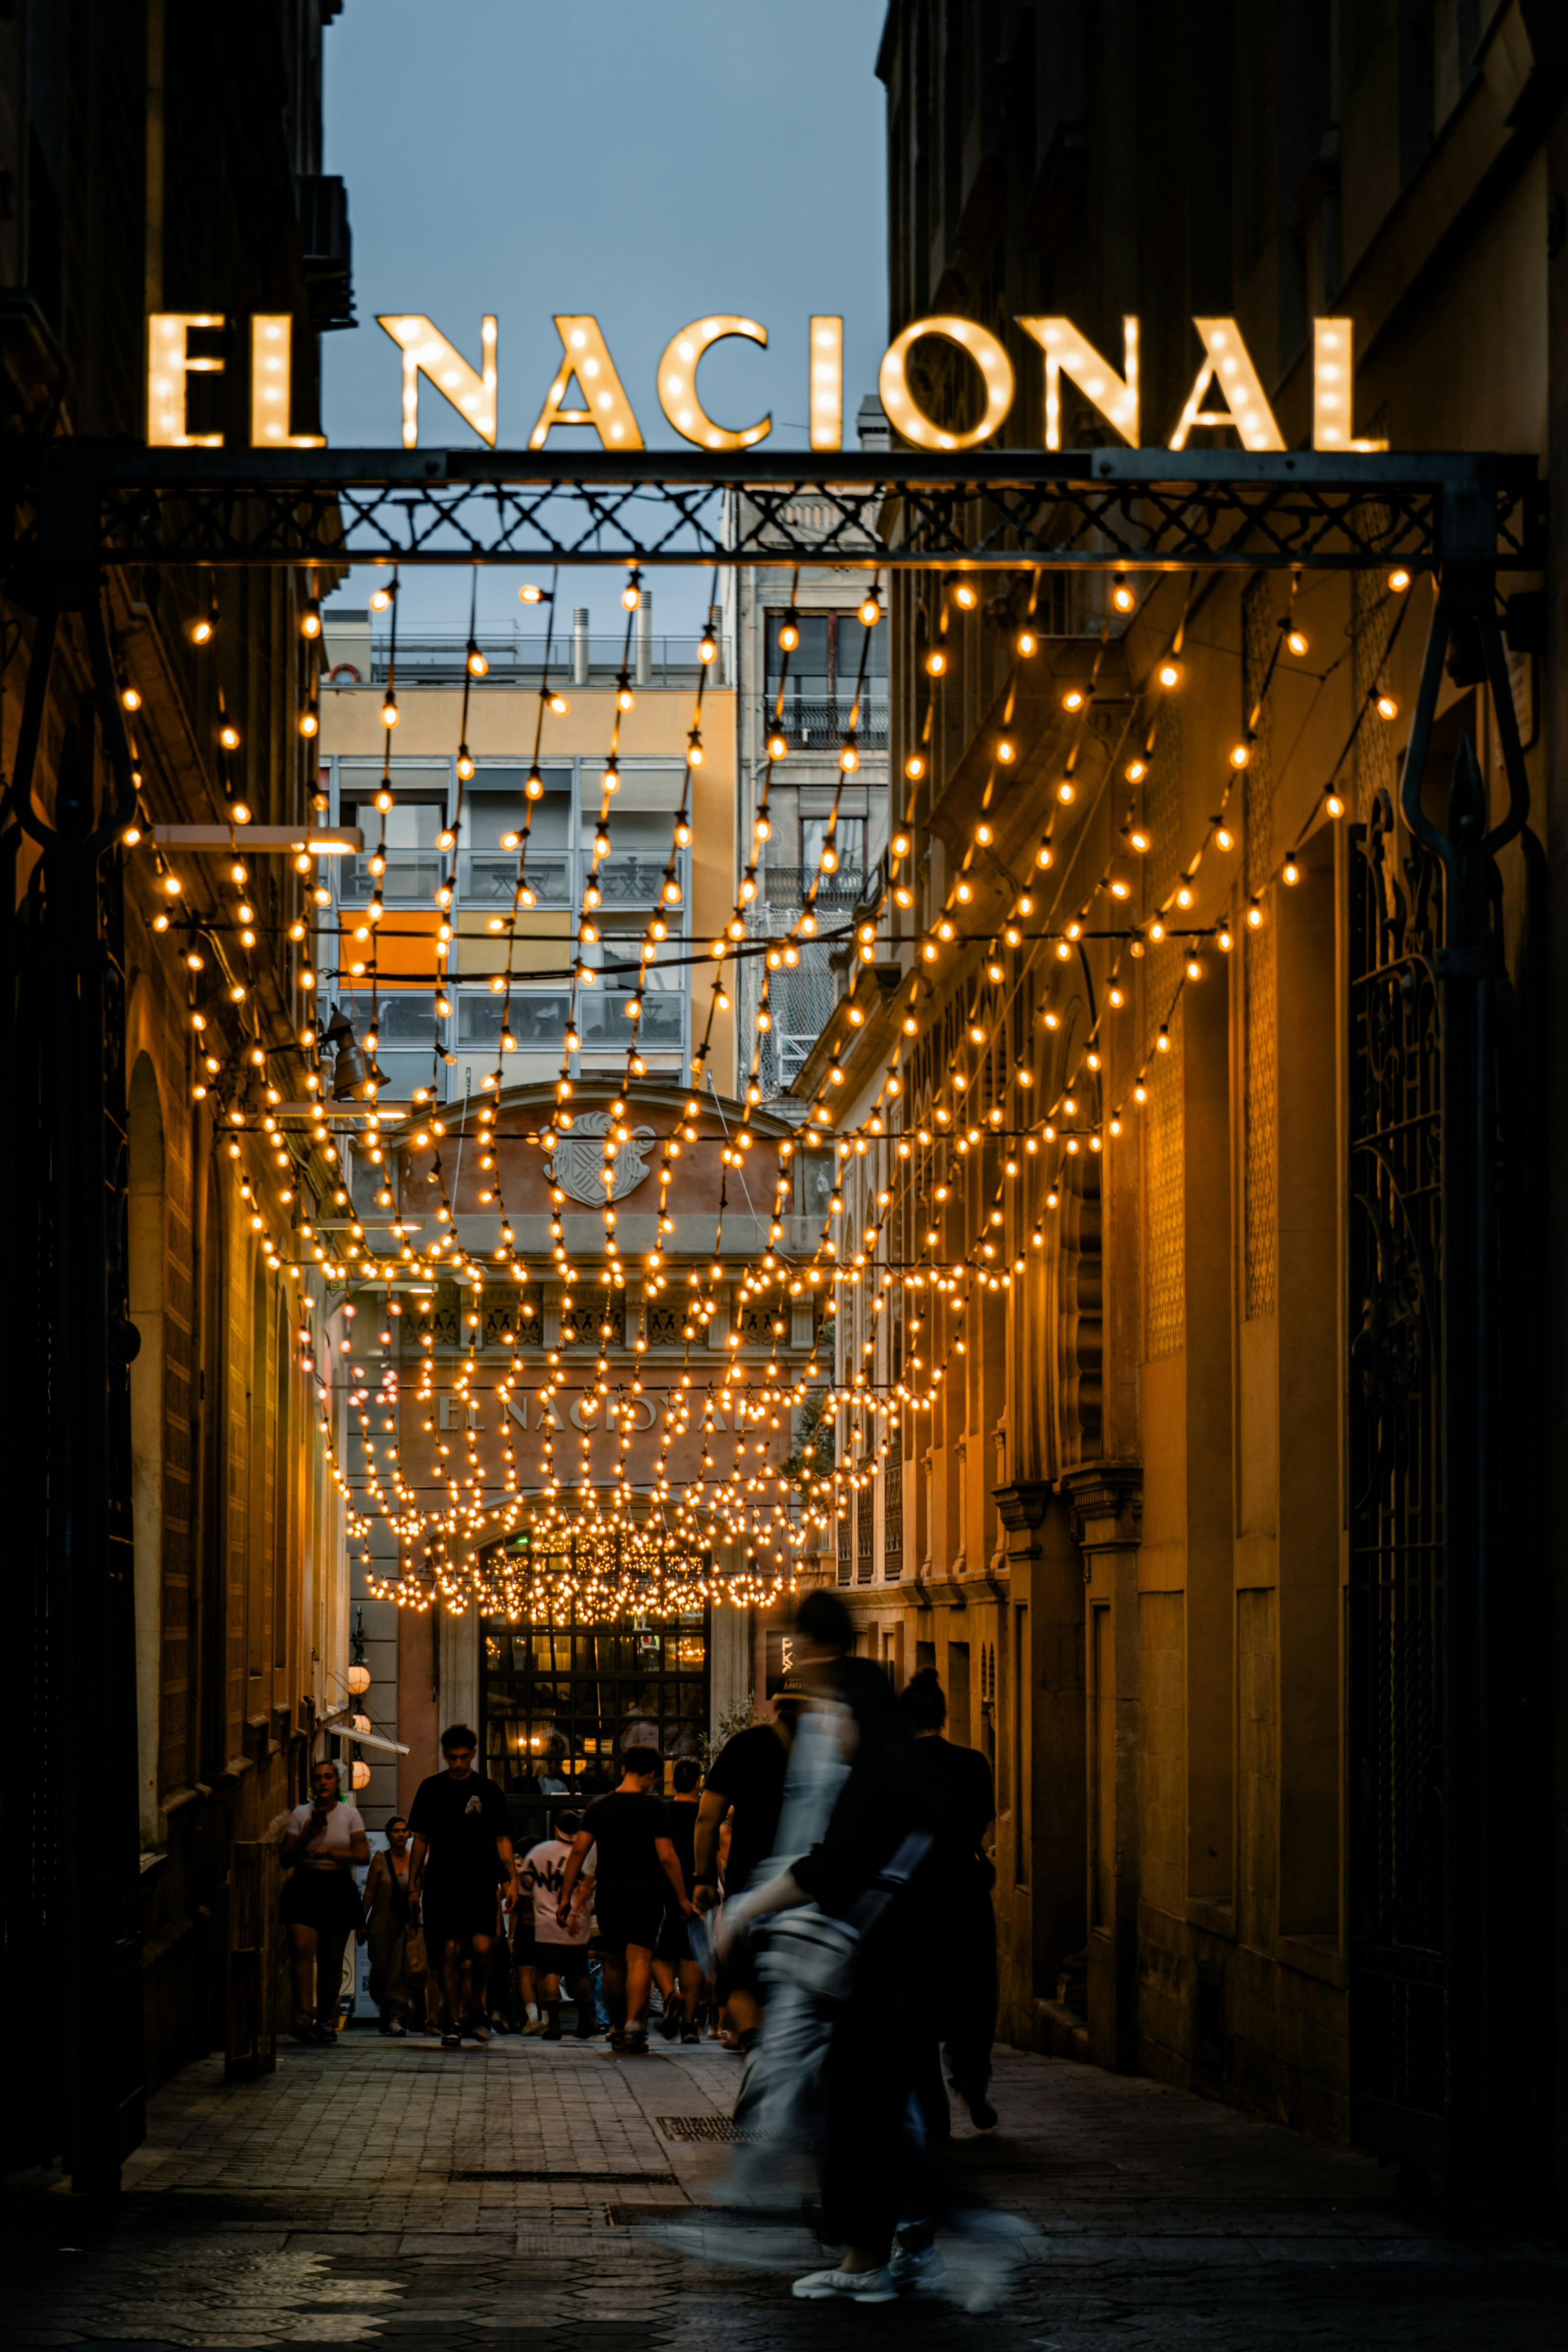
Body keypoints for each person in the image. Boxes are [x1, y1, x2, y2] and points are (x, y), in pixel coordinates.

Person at [719, 1619, 948, 2305]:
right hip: (912, 1974)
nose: (826, 1731)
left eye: (833, 1716)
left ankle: (873, 2259)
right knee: (885, 2113)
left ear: (856, 1716)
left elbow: (829, 1869)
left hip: (878, 1980)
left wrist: (744, 1910)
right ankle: (893, 2250)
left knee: (859, 2116)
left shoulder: (874, 1783)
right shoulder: (909, 1774)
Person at [899, 1666, 999, 2130]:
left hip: (911, 1894)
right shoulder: (973, 1762)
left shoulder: (891, 1768)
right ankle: (973, 2077)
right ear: (943, 1716)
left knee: (915, 1992)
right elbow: (982, 1821)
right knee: (975, 1988)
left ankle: (928, 2095)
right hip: (964, 1889)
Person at [693, 1682, 807, 2052]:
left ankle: (751, 2038)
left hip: (751, 1882)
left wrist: (704, 1879)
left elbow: (707, 1818)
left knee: (743, 1976)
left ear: (775, 1705)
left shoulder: (743, 1746)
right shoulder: (830, 1748)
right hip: (811, 1882)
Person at [558, 1748, 691, 2055]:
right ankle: (634, 2027)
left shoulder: (599, 1806)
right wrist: (682, 1898)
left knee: (614, 1963)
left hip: (610, 1893)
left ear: (623, 1769)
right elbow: (667, 1856)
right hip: (646, 1892)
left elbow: (578, 1852)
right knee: (640, 1958)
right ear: (652, 1775)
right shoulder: (655, 1808)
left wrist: (565, 1896)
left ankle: (617, 2028)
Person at [407, 1723, 519, 2050]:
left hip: (480, 1881)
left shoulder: (488, 1790)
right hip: (442, 1881)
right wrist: (413, 1886)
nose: (458, 1763)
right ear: (445, 1755)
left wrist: (511, 1881)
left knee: (483, 1948)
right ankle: (453, 2021)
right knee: (450, 1951)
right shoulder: (431, 1788)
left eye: (464, 1757)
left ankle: (475, 2004)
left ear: (473, 1755)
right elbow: (420, 1840)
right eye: (452, 1757)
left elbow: (502, 1839)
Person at [280, 1757, 370, 2045]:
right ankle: (303, 2013)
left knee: (331, 1960)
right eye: (318, 1778)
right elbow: (286, 1858)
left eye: (328, 1777)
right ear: (312, 1783)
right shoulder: (300, 1814)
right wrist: (306, 1835)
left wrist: (330, 1852)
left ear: (336, 1782)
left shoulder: (349, 1815)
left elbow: (363, 1855)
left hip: (337, 1886)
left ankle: (325, 2020)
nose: (323, 1782)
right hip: (306, 1884)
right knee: (301, 1950)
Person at [519, 1807, 597, 2039]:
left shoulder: (538, 1852)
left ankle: (553, 2023)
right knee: (579, 1974)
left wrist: (528, 1911)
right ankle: (584, 2022)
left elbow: (524, 1887)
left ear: (556, 1829)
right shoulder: (585, 1854)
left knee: (550, 1973)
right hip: (577, 1923)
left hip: (546, 1923)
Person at [363, 1815, 430, 2037]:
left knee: (399, 1972)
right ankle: (387, 2013)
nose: (401, 1834)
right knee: (380, 1972)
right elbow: (370, 1892)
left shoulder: (417, 1862)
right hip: (380, 1923)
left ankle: (396, 2017)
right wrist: (361, 1922)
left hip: (406, 1924)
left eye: (404, 1831)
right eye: (396, 1831)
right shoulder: (380, 1860)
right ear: (388, 1835)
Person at [653, 1758, 705, 2042]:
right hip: (699, 1893)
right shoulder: (705, 1815)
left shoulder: (662, 1813)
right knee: (692, 1956)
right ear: (699, 1782)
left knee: (657, 1955)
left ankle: (670, 1995)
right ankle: (689, 2026)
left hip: (664, 1892)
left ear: (673, 1782)